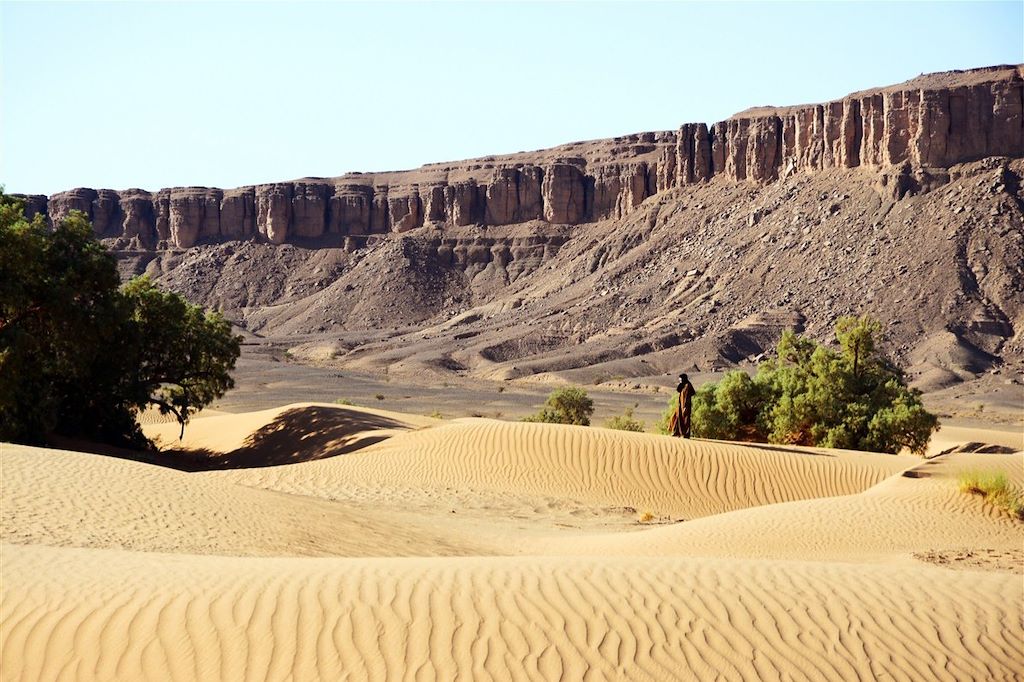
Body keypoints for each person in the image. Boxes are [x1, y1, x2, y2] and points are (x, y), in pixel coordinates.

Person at [669, 373, 695, 438]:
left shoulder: (688, 386)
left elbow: (688, 396)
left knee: (686, 420)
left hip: (686, 406)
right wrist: (680, 384)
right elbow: (678, 390)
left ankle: (685, 435)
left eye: (681, 380)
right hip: (680, 405)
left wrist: (685, 406)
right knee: (676, 417)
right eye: (679, 380)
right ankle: (676, 432)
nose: (680, 381)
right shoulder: (683, 385)